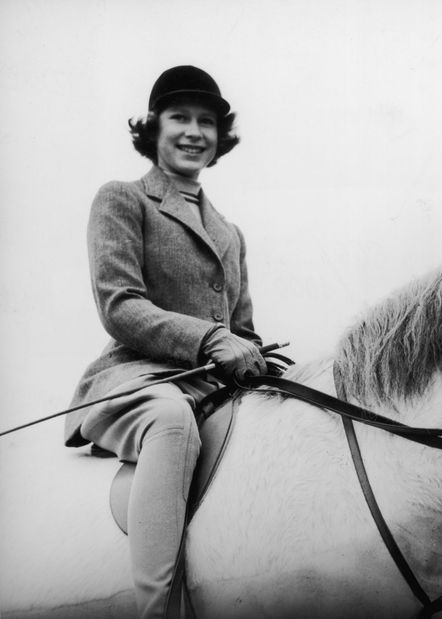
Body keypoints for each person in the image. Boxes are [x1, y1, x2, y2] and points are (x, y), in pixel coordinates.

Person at [65, 65, 268, 618]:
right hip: (135, 381)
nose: (194, 132)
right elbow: (120, 305)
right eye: (180, 117)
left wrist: (256, 362)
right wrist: (210, 340)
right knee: (171, 421)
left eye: (206, 122)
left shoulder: (230, 232)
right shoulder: (123, 199)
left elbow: (241, 332)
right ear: (154, 129)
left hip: (212, 389)